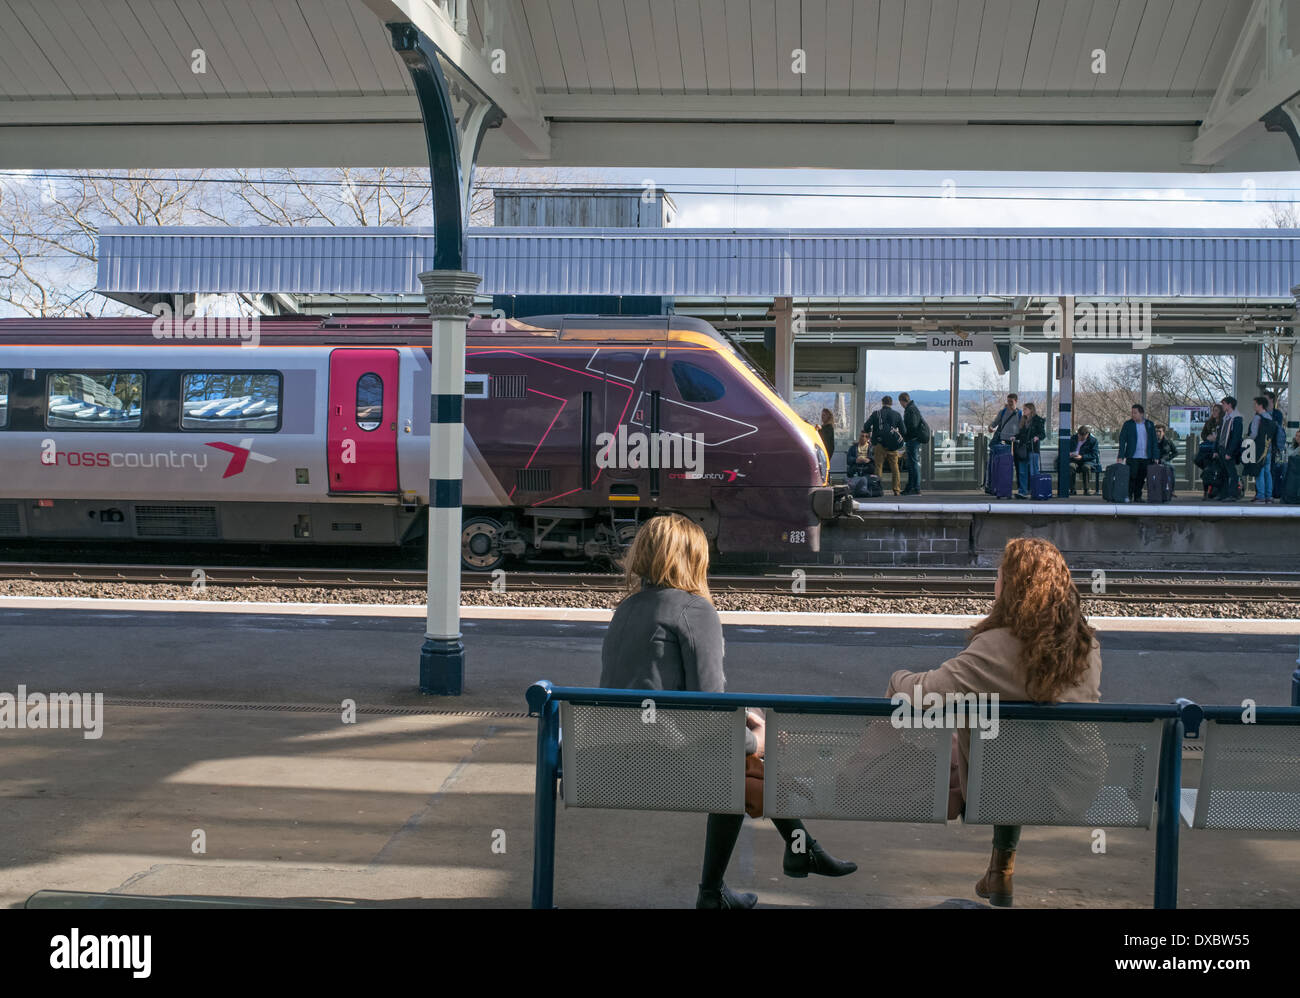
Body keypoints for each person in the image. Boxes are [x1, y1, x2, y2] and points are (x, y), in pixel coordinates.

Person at [599, 514, 857, 909]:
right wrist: (758, 736)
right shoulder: (693, 609)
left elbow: (667, 697)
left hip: (612, 761)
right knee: (744, 762)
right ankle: (780, 857)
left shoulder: (626, 609)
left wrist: (741, 721)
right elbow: (708, 707)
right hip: (663, 765)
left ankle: (779, 860)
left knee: (741, 766)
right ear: (693, 557)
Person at [886, 537, 1102, 908]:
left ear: (1013, 586)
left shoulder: (998, 647)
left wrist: (896, 678)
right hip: (1076, 787)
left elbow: (922, 695)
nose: (995, 583)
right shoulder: (1085, 645)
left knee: (984, 752)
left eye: (999, 576)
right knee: (1017, 749)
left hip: (1003, 791)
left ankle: (1000, 869)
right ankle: (1000, 870)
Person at [864, 396, 905, 496]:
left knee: (878, 466)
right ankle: (896, 490)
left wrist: (870, 433)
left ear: (882, 402)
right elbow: (903, 430)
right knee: (895, 468)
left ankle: (877, 489)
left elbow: (866, 426)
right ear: (891, 403)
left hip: (879, 444)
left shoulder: (876, 414)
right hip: (893, 446)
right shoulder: (897, 414)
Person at [1117, 403, 1157, 502]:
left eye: (1135, 413)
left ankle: (1138, 496)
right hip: (1132, 456)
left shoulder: (1149, 424)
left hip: (1146, 456)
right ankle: (1129, 496)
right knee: (1131, 476)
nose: (1133, 415)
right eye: (1132, 413)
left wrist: (1156, 456)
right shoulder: (1128, 424)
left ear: (1141, 413)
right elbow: (1122, 440)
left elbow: (1154, 441)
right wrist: (1121, 455)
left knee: (1141, 478)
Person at [984, 393, 1021, 494]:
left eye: (1011, 402)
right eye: (1008, 401)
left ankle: (1016, 487)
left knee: (1014, 465)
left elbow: (1021, 427)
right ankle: (995, 486)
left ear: (1016, 401)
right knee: (999, 464)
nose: (1009, 403)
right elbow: (995, 422)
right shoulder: (1003, 412)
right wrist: (991, 427)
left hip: (1014, 441)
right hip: (1002, 440)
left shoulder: (1019, 413)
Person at [1213, 396, 1244, 502]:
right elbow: (1219, 435)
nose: (1223, 406)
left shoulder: (1236, 418)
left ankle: (1232, 494)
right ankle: (1223, 493)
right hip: (1222, 448)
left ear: (1230, 404)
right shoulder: (1225, 418)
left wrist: (1230, 452)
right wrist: (1216, 450)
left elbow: (1236, 437)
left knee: (1231, 472)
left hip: (1228, 449)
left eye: (1224, 404)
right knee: (1223, 472)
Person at [1013, 401, 1045, 499]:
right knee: (1022, 471)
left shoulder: (1038, 420)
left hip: (1032, 448)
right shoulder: (1023, 420)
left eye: (1025, 409)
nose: (1023, 411)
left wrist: (1037, 437)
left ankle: (1035, 490)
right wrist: (1015, 437)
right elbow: (1021, 434)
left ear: (1031, 410)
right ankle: (1023, 491)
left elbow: (1043, 434)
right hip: (1023, 449)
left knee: (1033, 471)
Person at [1247, 396, 1274, 503]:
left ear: (1260, 405)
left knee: (1259, 472)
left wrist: (1247, 439)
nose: (1254, 406)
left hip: (1258, 449)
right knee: (1268, 472)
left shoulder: (1257, 418)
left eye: (1255, 404)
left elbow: (1254, 434)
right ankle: (1269, 496)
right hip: (1269, 448)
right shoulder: (1270, 417)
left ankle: (1261, 495)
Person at [899, 391, 925, 496]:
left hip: (912, 440)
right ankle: (911, 487)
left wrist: (905, 432)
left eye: (900, 402)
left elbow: (912, 425)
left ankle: (916, 488)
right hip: (913, 440)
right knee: (911, 464)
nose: (901, 405)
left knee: (913, 464)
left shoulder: (910, 410)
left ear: (903, 401)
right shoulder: (912, 408)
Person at [1068, 425, 1100, 495]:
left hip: (1087, 460)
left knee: (1086, 467)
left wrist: (1082, 457)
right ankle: (1072, 489)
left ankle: (1086, 489)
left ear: (1087, 434)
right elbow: (1067, 449)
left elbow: (1094, 454)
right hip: (1074, 460)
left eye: (1083, 436)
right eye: (1079, 435)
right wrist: (1070, 454)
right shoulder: (1073, 439)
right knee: (1071, 466)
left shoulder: (1093, 441)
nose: (1080, 437)